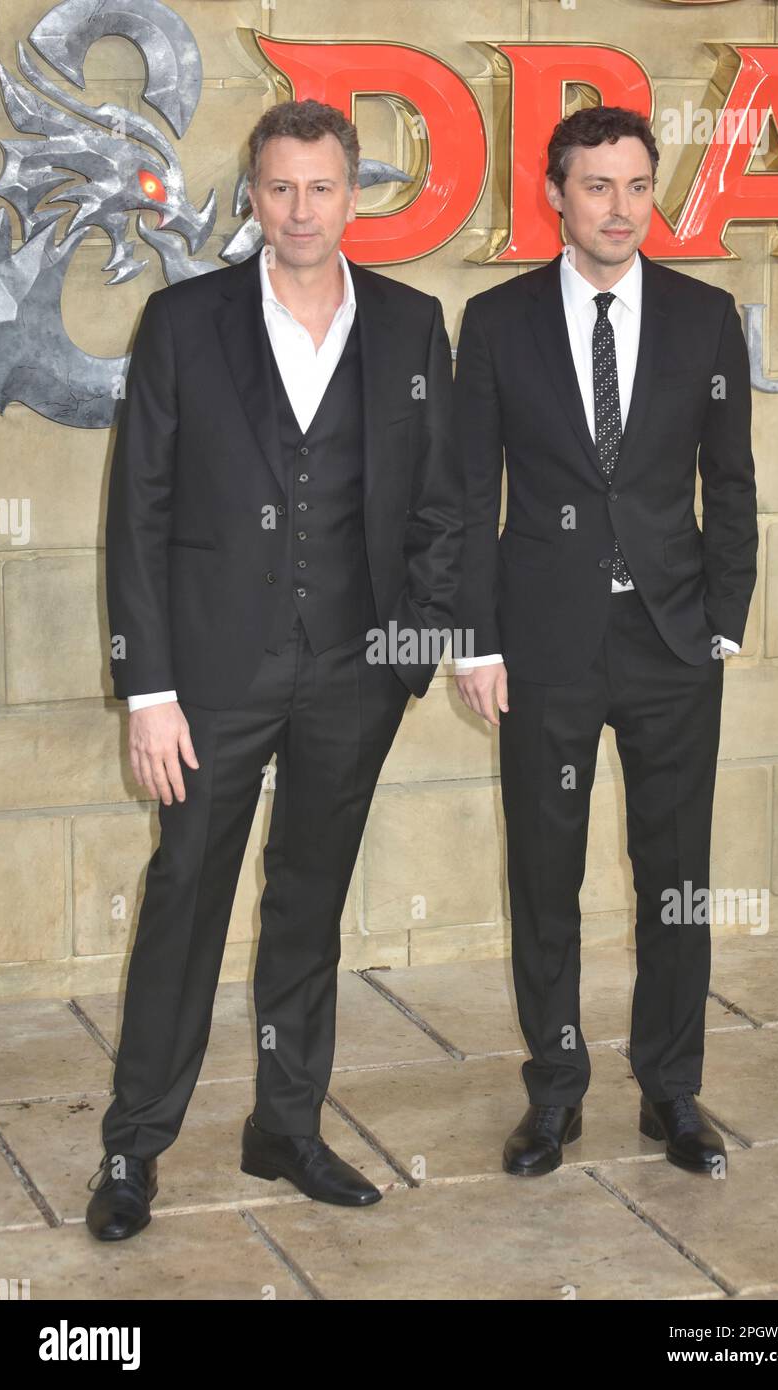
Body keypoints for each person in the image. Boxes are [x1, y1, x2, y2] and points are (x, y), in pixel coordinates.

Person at [87, 98, 461, 1240]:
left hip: (351, 674)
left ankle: (283, 1125)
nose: (299, 209)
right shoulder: (183, 322)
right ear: (252, 193)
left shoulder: (407, 328)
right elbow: (136, 514)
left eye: (321, 187)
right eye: (279, 187)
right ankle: (133, 1143)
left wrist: (409, 657)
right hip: (206, 682)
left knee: (309, 906)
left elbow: (440, 505)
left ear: (354, 196)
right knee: (184, 901)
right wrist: (147, 689)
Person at [453, 105, 757, 1178]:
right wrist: (474, 642)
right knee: (545, 875)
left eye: (635, 185)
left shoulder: (705, 316)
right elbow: (462, 493)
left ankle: (671, 1091)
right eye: (596, 186)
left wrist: (723, 619)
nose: (618, 207)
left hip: (672, 641)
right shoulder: (493, 323)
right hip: (543, 646)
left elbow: (729, 481)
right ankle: (554, 1092)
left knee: (674, 877)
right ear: (554, 193)